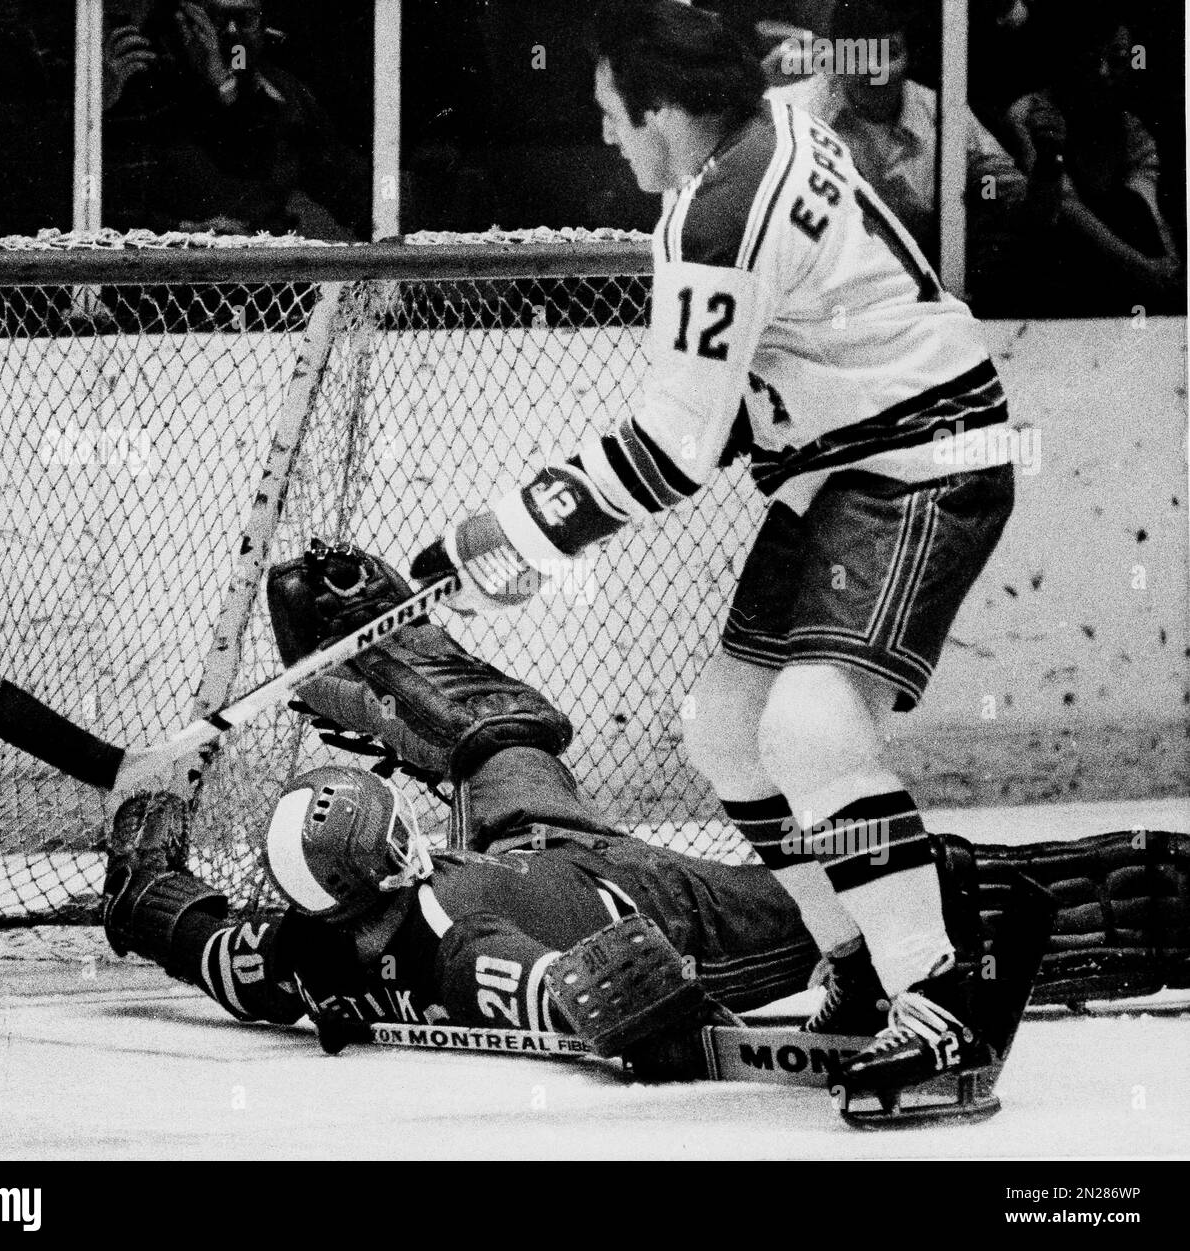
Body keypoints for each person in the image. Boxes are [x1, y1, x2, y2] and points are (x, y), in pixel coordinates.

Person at [395, 0, 1031, 1122]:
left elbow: (673, 452)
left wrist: (503, 533)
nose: (607, 139)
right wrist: (541, 528)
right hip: (839, 462)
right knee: (725, 727)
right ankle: (858, 958)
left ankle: (945, 1000)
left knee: (810, 727)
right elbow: (735, 398)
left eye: (610, 114)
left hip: (927, 454)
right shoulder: (770, 125)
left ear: (662, 109)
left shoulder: (718, 216)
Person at [100, 545, 1187, 1096]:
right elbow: (569, 991)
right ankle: (1144, 899)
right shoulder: (463, 947)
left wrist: (140, 826)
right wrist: (627, 1004)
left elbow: (166, 914)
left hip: (526, 845)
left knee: (495, 738)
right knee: (884, 897)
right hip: (675, 908)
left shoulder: (282, 953)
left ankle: (387, 648)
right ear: (396, 847)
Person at [765, 0, 1057, 299]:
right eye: (857, 54)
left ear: (910, 57)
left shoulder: (942, 115)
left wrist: (987, 189)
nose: (873, 69)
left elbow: (1002, 193)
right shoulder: (793, 113)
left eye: (888, 53)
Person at [102, 0, 367, 238]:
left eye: (244, 20)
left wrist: (223, 81)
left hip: (265, 276)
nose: (230, 33)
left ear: (264, 26)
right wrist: (182, 230)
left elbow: (342, 181)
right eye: (215, 18)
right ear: (185, 21)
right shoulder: (142, 89)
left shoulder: (283, 93)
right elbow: (112, 201)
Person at [1003, 9, 1182, 314]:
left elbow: (1148, 208)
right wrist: (1145, 268)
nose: (1101, 72)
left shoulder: (1132, 130)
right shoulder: (1032, 113)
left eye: (1116, 60)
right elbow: (1064, 207)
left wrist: (1171, 267)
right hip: (1051, 280)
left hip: (1118, 280)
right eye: (1089, 60)